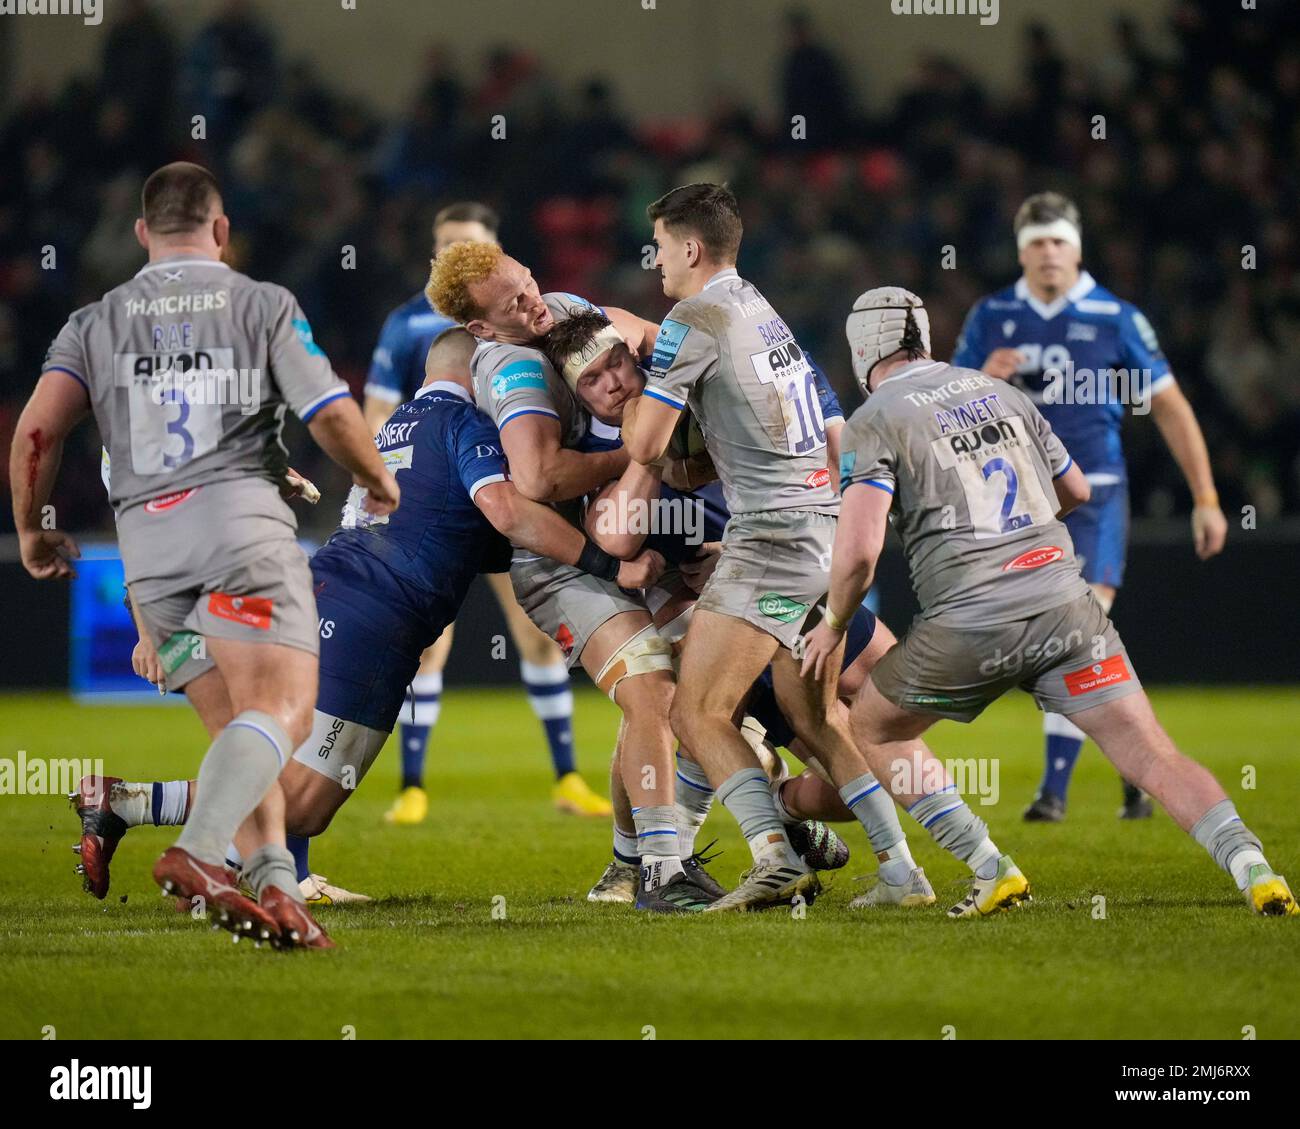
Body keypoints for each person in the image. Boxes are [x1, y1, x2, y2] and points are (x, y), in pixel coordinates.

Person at [69, 327, 662, 915]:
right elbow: (505, 510)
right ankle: (126, 803)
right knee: (306, 804)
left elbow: (454, 534)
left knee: (278, 758)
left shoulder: (393, 425)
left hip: (323, 590)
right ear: (480, 373)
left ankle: (223, 864)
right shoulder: (468, 426)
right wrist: (605, 557)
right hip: (376, 622)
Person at [801, 286, 1296, 918]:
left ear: (860, 348)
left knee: (873, 724)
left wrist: (836, 622)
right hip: (1066, 605)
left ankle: (989, 865)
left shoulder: (873, 420)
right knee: (1153, 754)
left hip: (970, 621)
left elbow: (861, 552)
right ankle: (1254, 868)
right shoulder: (1000, 393)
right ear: (925, 338)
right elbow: (1076, 490)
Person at [11, 161, 399, 948]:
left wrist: (31, 527)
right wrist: (376, 478)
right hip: (239, 540)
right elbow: (327, 412)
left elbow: (36, 434)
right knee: (283, 713)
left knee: (237, 734)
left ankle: (278, 888)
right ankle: (195, 852)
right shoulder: (259, 303)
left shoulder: (93, 322)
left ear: (142, 233)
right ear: (221, 231)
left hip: (149, 561)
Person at [542, 310, 940, 911]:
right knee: (735, 724)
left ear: (635, 357)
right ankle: (687, 851)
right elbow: (617, 539)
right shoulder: (604, 451)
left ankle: (797, 824)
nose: (612, 385)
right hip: (734, 618)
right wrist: (641, 452)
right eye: (591, 381)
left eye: (616, 365)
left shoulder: (701, 390)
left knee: (897, 721)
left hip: (790, 574)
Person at [425, 241, 719, 912]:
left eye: (527, 282)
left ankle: (626, 864)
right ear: (479, 328)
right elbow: (538, 478)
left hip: (627, 535)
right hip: (559, 562)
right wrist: (638, 449)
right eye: (513, 303)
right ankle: (663, 871)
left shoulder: (560, 309)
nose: (534, 303)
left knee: (702, 681)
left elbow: (645, 336)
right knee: (651, 691)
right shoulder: (512, 364)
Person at [619, 183, 872, 913]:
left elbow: (645, 443)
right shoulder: (761, 307)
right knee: (818, 721)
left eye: (662, 246)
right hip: (821, 525)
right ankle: (907, 864)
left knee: (695, 713)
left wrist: (634, 380)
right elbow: (704, 458)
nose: (657, 261)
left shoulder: (689, 318)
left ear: (691, 248)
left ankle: (774, 857)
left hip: (770, 535)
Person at [953, 192, 1229, 822]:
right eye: (1037, 243)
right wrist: (977, 379)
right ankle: (1136, 763)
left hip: (1096, 494)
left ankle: (1054, 792)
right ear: (1022, 251)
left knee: (1071, 630)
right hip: (1016, 501)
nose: (1049, 253)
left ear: (1076, 248)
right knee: (1069, 643)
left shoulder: (1115, 317)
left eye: (1059, 242)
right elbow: (938, 405)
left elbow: (1170, 405)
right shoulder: (992, 316)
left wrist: (1208, 498)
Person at [364, 202, 608, 824]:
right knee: (428, 648)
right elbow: (377, 417)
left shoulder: (540, 311)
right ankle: (412, 786)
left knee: (536, 636)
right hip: (450, 503)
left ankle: (568, 778)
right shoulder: (408, 327)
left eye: (466, 246)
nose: (454, 255)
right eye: (445, 248)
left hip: (508, 498)